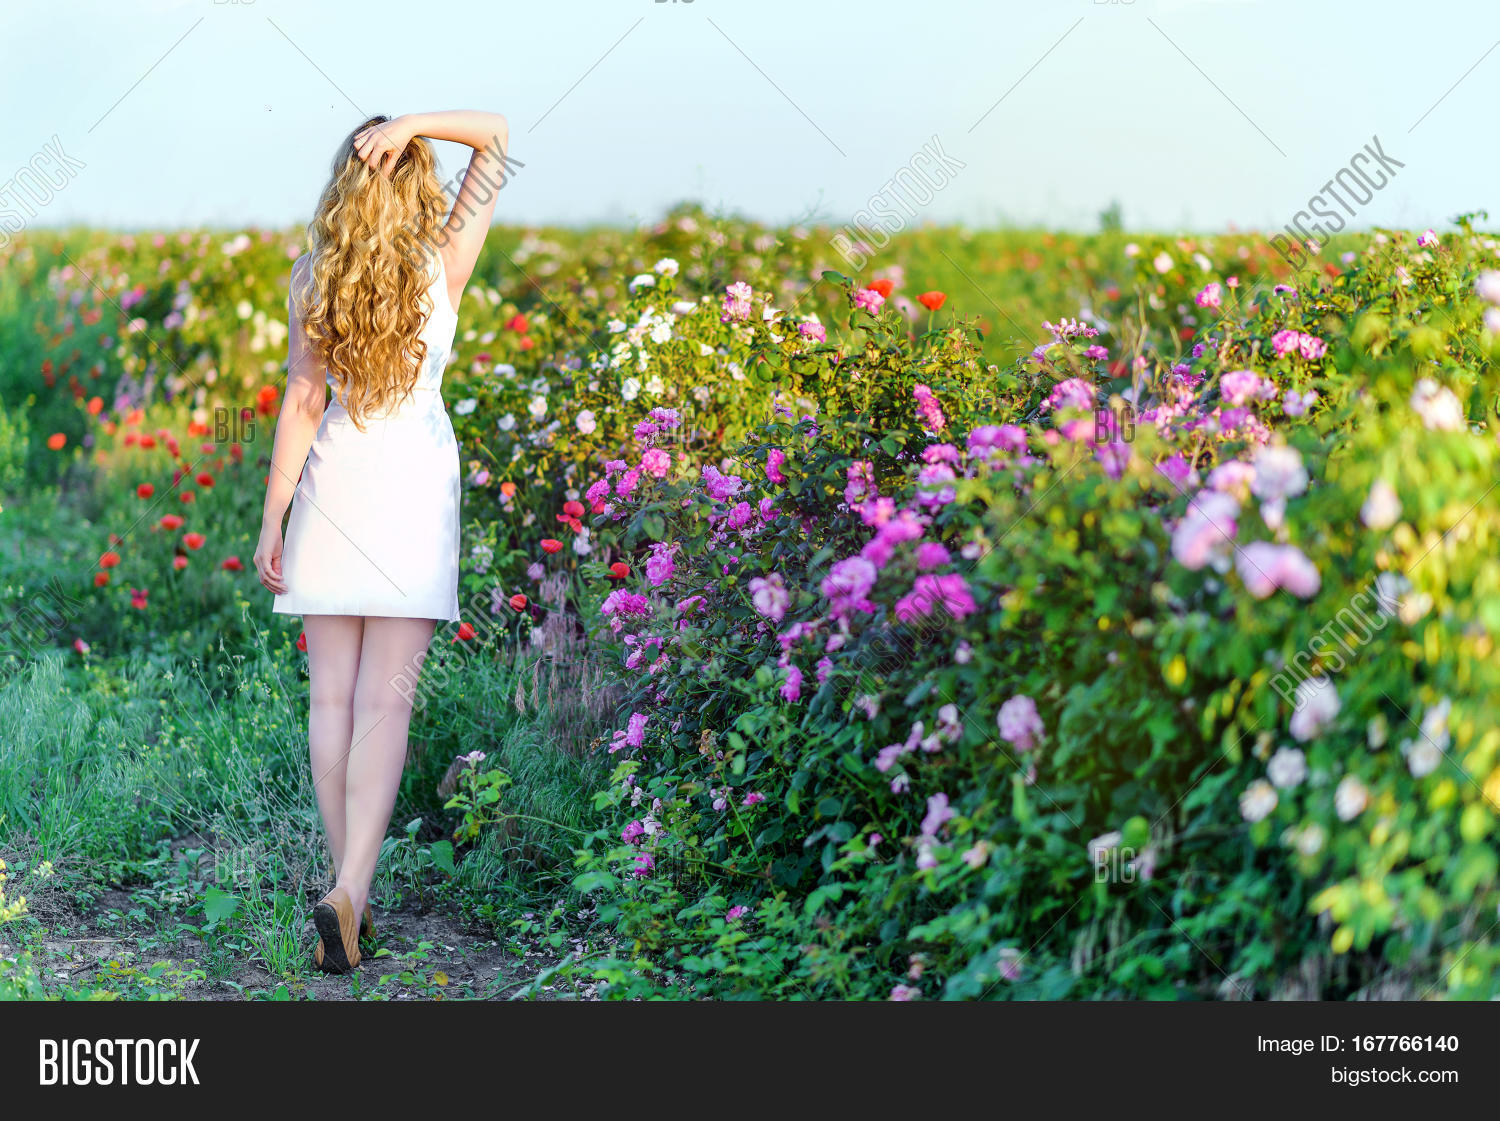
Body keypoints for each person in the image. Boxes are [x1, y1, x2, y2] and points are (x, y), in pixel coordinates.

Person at [253, 110, 509, 973]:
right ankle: (352, 894)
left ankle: (347, 892)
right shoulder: (444, 264)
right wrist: (417, 124)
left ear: (347, 184)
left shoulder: (314, 276)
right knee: (384, 705)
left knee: (332, 702)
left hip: (331, 493)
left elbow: (299, 398)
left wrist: (273, 514)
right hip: (412, 499)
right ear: (415, 181)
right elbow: (497, 138)